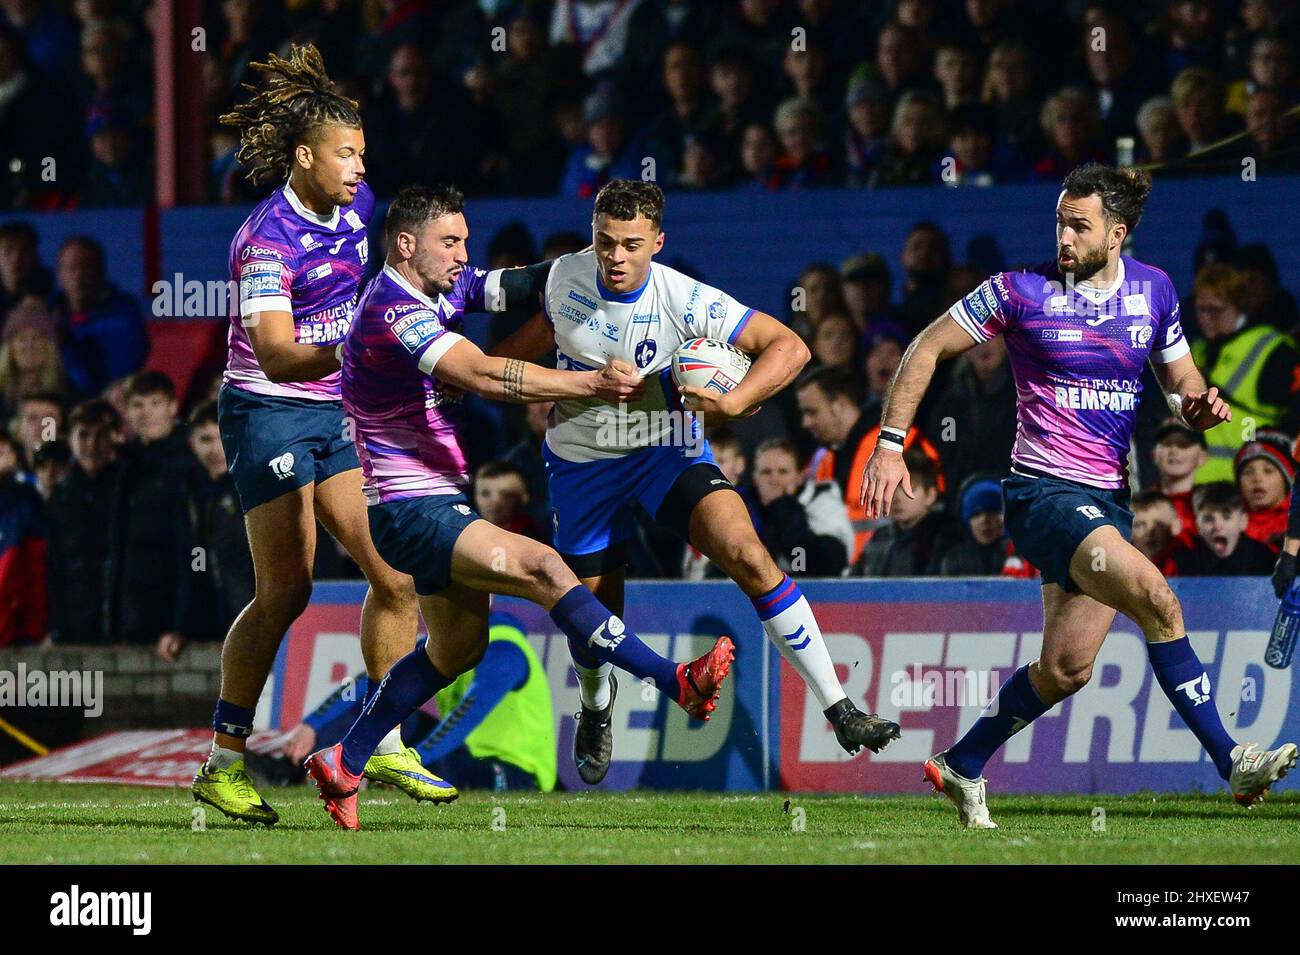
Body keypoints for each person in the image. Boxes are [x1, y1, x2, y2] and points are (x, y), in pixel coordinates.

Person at [860, 163, 1296, 828]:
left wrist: (1200, 406)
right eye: (1060, 221)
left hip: (1107, 499)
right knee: (1158, 596)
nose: (1063, 235)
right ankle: (1232, 757)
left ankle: (961, 762)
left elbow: (1181, 382)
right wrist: (890, 442)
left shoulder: (1154, 292)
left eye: (1079, 225)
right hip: (1041, 493)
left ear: (1117, 234)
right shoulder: (1018, 290)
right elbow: (925, 347)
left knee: (1066, 669)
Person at [304, 183, 734, 829]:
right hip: (410, 507)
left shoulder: (441, 285)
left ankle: (346, 758)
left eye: (465, 240)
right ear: (404, 244)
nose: (463, 254)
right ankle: (675, 679)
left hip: (431, 499)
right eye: (450, 242)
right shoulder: (395, 308)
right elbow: (480, 373)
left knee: (458, 648)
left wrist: (600, 254)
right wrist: (589, 381)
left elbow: (519, 284)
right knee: (548, 570)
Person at [492, 180, 900, 788]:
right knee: (593, 612)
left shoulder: (683, 298)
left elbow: (789, 348)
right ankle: (597, 704)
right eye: (605, 242)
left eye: (632, 244)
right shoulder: (562, 278)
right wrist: (465, 364)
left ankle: (840, 708)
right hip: (582, 464)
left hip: (667, 449)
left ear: (658, 241)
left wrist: (734, 404)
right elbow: (514, 322)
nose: (616, 257)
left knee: (747, 552)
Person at [191, 44, 421, 828]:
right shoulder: (265, 240)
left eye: (363, 153)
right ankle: (223, 762)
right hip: (269, 408)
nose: (360, 167)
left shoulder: (360, 208)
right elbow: (281, 354)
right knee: (285, 590)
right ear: (304, 156)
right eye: (346, 154)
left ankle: (383, 740)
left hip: (336, 409)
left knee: (394, 571)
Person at [797, 366, 942, 564]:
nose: (805, 423)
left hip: (897, 576)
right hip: (849, 579)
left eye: (812, 412)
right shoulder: (821, 460)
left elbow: (935, 510)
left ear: (839, 406)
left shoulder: (897, 444)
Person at [1190, 262, 1300, 482]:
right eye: (1201, 309)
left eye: (1215, 309)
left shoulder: (1273, 349)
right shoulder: (1197, 350)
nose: (1205, 317)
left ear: (1238, 305)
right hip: (1197, 485)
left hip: (1247, 483)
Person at [46, 399, 120, 644]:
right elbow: (54, 564)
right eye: (84, 435)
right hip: (74, 621)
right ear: (70, 439)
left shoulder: (130, 487)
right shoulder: (61, 494)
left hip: (124, 620)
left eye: (101, 435)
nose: (92, 445)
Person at [752, 437, 853, 577]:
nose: (774, 480)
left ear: (800, 476)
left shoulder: (823, 503)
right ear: (754, 478)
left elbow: (816, 565)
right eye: (766, 472)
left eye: (783, 472)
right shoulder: (744, 507)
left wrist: (783, 508)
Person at [854, 446, 957, 577]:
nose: (897, 497)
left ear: (930, 495)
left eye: (908, 489)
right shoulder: (879, 538)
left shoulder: (945, 540)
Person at [0, 427, 46, 647]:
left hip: (16, 638)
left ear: (13, 457)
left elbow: (38, 571)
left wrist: (33, 631)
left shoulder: (26, 502)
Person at [1173, 481, 1276, 576]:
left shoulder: (1265, 560)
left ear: (1243, 521)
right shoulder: (1184, 561)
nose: (1217, 526)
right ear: (1198, 526)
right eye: (1208, 519)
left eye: (1226, 517)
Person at [1149, 418, 1205, 549]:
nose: (1174, 450)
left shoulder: (1215, 504)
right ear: (1154, 455)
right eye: (1167, 444)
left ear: (1203, 456)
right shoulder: (1133, 507)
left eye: (1183, 444)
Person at [1233, 432, 1294, 553]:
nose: (1257, 478)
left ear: (1287, 479)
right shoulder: (1222, 524)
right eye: (1248, 472)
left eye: (1268, 471)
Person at [1130, 489, 1182, 576]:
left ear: (1175, 526)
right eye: (1139, 525)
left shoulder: (1193, 563)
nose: (1150, 532)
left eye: (1159, 525)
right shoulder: (1120, 567)